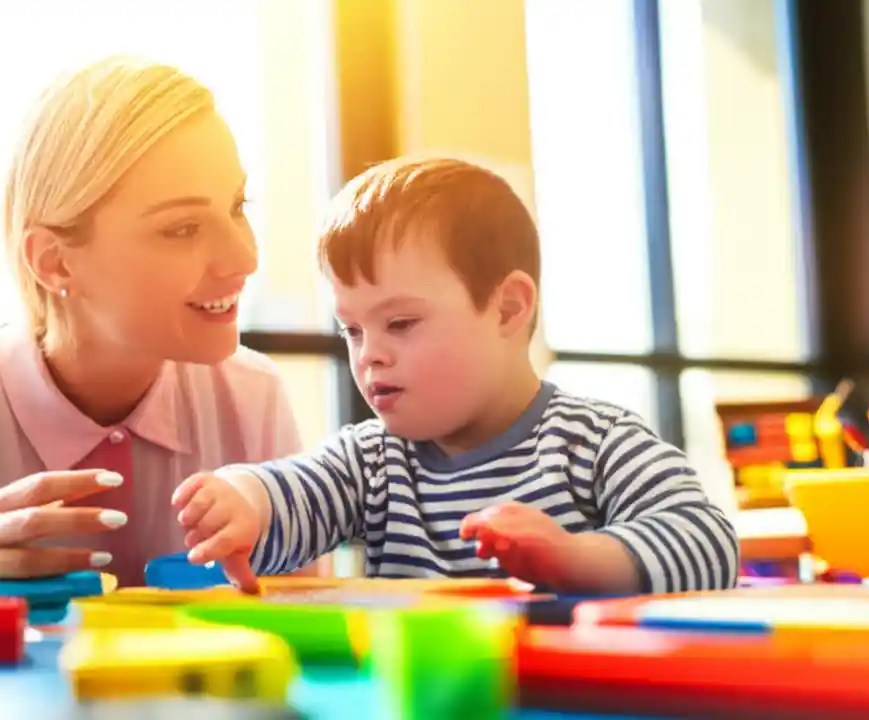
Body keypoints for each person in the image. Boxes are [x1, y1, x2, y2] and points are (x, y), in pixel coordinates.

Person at [172, 155, 740, 595]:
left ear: (508, 308)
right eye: (353, 330)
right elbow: (296, 492)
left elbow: (708, 542)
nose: (370, 355)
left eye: (400, 322)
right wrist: (246, 500)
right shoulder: (373, 462)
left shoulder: (593, 443)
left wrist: (577, 558)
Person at [0, 56, 307, 598]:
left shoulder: (253, 400)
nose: (244, 257)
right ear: (55, 262)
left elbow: (314, 652)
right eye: (183, 228)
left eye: (238, 206)